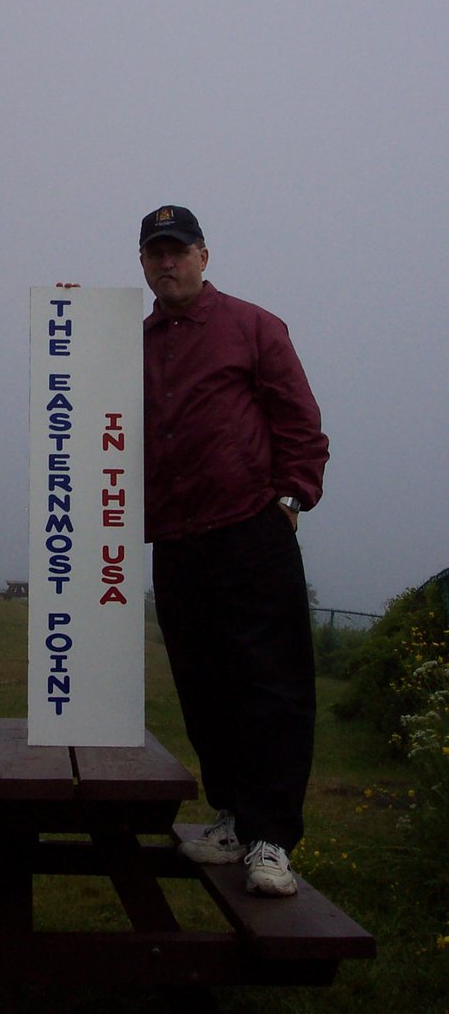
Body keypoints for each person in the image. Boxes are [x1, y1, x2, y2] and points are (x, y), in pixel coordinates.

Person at [139, 204, 329, 897]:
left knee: (271, 685)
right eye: (155, 253)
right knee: (204, 684)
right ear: (143, 263)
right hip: (179, 544)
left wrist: (292, 500)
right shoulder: (138, 341)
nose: (168, 262)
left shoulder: (254, 326)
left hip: (251, 532)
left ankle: (272, 838)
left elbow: (300, 420)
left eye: (178, 250)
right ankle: (231, 817)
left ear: (203, 255)